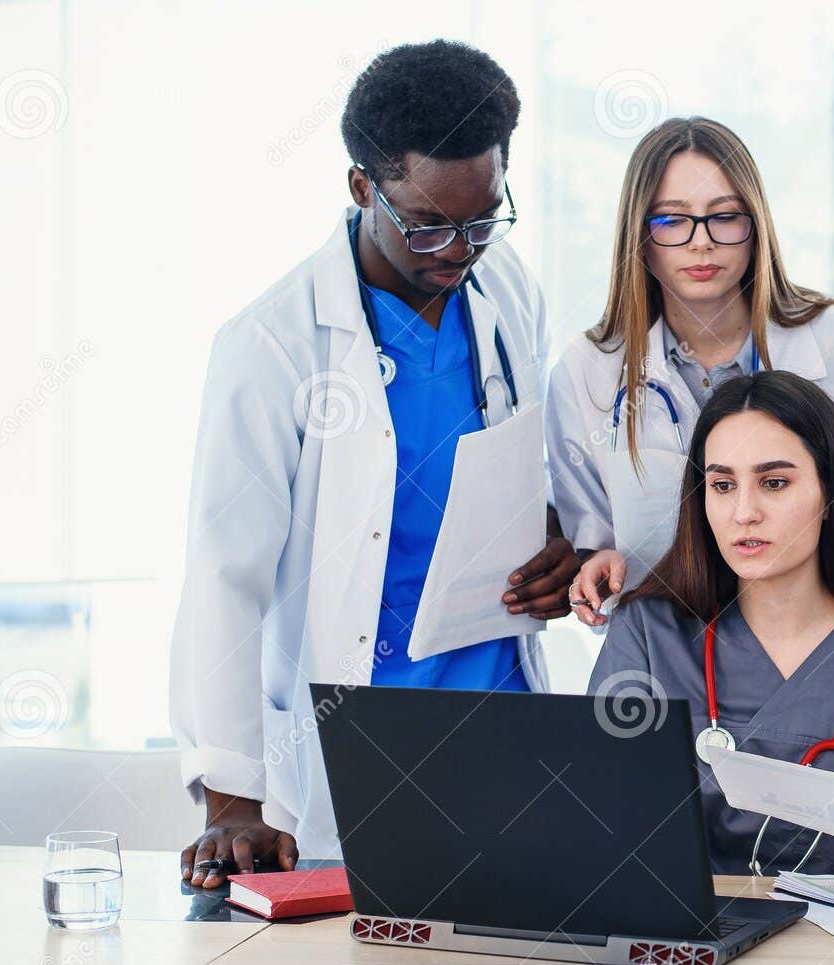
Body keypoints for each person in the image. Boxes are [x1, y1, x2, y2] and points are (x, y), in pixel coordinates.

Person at [172, 42, 580, 885]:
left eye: (483, 219)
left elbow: (513, 471)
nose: (458, 249)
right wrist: (232, 801)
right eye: (427, 224)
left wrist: (552, 542)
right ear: (362, 187)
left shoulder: (508, 291)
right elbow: (224, 577)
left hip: (503, 715)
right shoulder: (272, 345)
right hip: (361, 739)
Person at [587, 370, 834, 883]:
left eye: (774, 483)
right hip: (689, 925)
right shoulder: (649, 632)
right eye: (722, 485)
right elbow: (598, 821)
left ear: (830, 493)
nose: (744, 513)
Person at [547, 116, 834, 622]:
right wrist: (597, 566)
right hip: (667, 649)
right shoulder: (587, 371)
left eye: (725, 216)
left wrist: (791, 583)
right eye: (671, 220)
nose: (701, 242)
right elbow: (593, 543)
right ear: (638, 236)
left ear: (756, 227)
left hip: (821, 642)